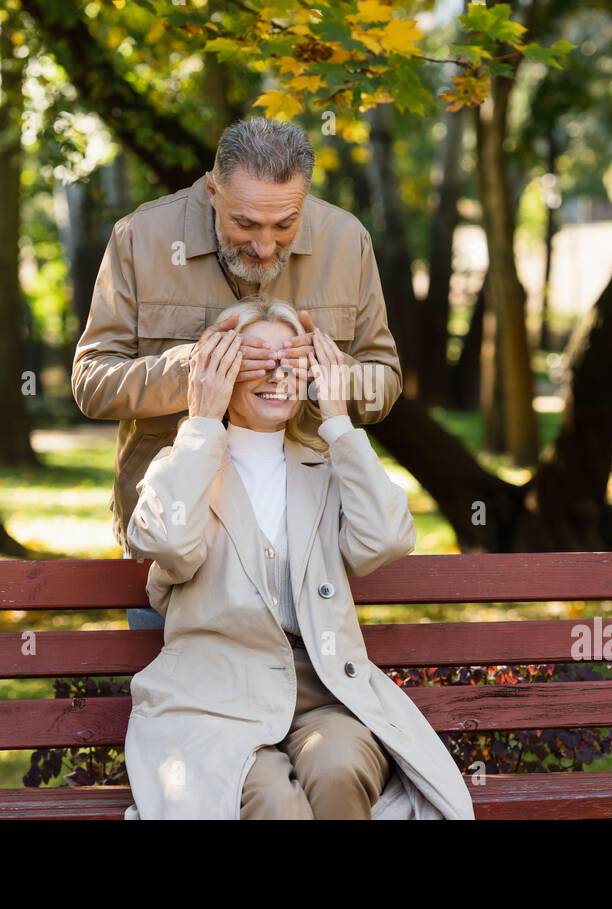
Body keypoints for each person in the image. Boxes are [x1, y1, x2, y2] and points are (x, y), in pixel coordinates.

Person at [119, 296, 475, 820]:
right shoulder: (182, 466)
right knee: (272, 802)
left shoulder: (324, 470)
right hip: (215, 698)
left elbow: (387, 539)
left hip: (324, 692)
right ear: (219, 369)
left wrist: (337, 419)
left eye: (293, 359)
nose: (277, 373)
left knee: (339, 770)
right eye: (256, 358)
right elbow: (168, 542)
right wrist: (202, 417)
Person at [69, 119, 403, 634]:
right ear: (211, 189)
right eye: (245, 225)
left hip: (305, 537)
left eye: (285, 225)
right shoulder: (141, 239)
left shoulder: (347, 241)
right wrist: (194, 370)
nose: (266, 247)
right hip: (173, 538)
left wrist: (327, 376)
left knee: (307, 697)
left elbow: (384, 383)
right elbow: (91, 381)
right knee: (176, 693)